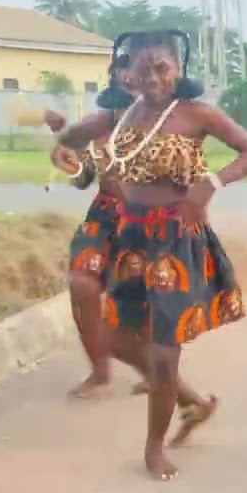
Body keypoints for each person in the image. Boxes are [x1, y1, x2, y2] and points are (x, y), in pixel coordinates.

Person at [52, 30, 247, 480]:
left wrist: (211, 184)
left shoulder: (196, 113)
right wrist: (65, 134)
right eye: (142, 68)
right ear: (127, 71)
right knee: (114, 339)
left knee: (165, 353)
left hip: (175, 238)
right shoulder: (119, 113)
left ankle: (153, 448)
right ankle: (194, 402)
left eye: (161, 67)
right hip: (129, 238)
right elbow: (73, 138)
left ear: (179, 70)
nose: (152, 77)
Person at [46, 54, 152, 399]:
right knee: (82, 283)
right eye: (122, 76)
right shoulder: (97, 125)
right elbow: (83, 178)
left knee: (142, 298)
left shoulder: (166, 124)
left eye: (134, 75)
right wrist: (68, 162)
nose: (128, 80)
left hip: (147, 218)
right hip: (104, 216)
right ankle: (100, 370)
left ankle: (157, 372)